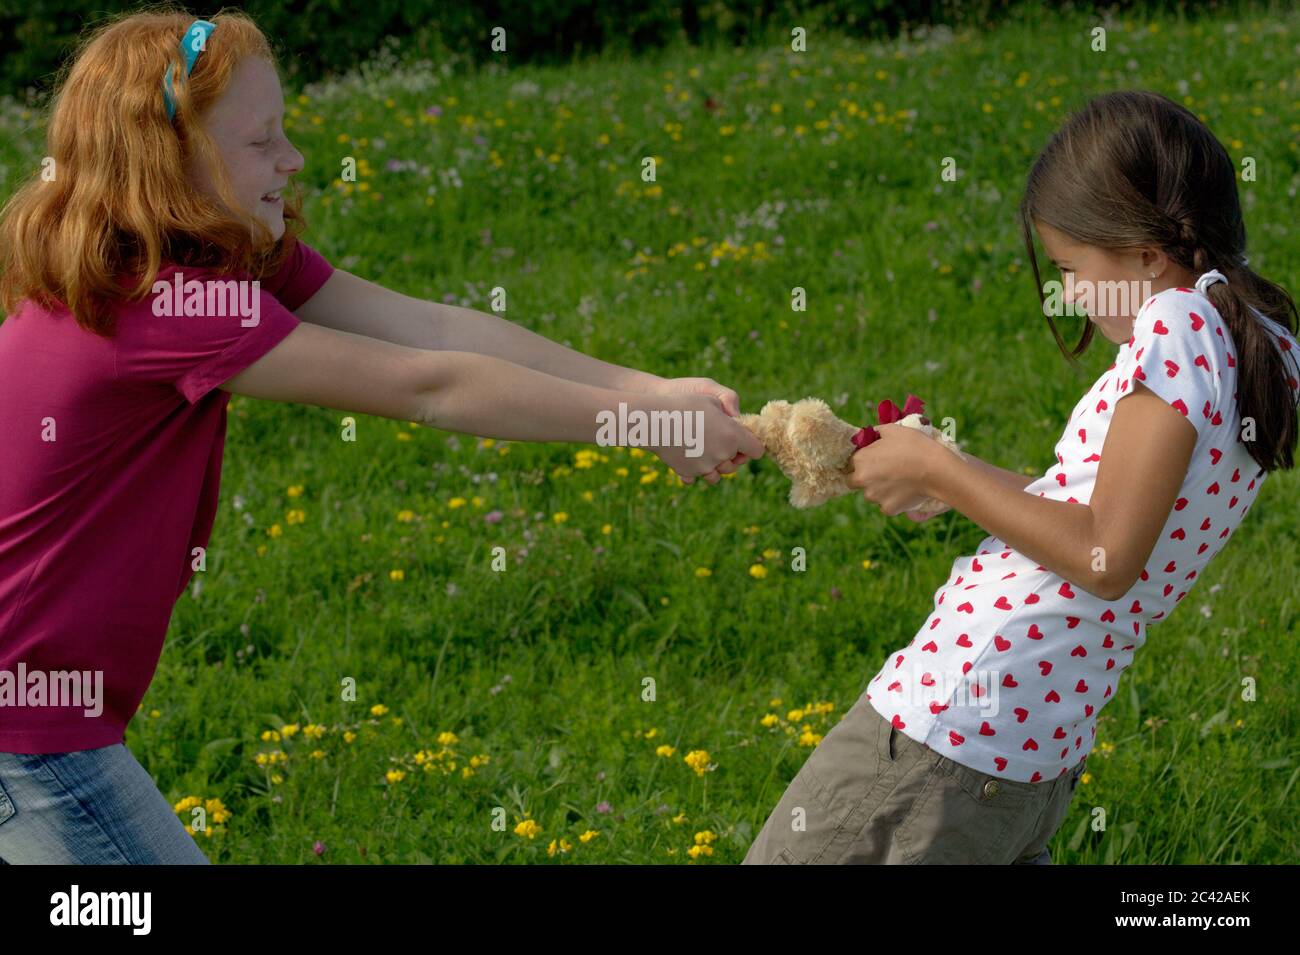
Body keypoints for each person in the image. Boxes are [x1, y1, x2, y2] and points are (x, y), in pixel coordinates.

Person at [0, 10, 762, 863]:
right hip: (27, 738)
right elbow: (427, 386)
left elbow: (429, 331)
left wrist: (648, 390)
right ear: (169, 164)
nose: (291, 160)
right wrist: (646, 425)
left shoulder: (204, 254)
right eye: (262, 141)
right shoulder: (159, 302)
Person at [745, 89, 1298, 864]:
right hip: (1029, 752)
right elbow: (1091, 511)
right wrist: (954, 475)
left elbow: (1104, 555)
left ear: (1145, 251)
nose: (1068, 292)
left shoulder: (1174, 327)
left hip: (953, 726)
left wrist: (937, 463)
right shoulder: (1249, 337)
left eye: (1073, 267)